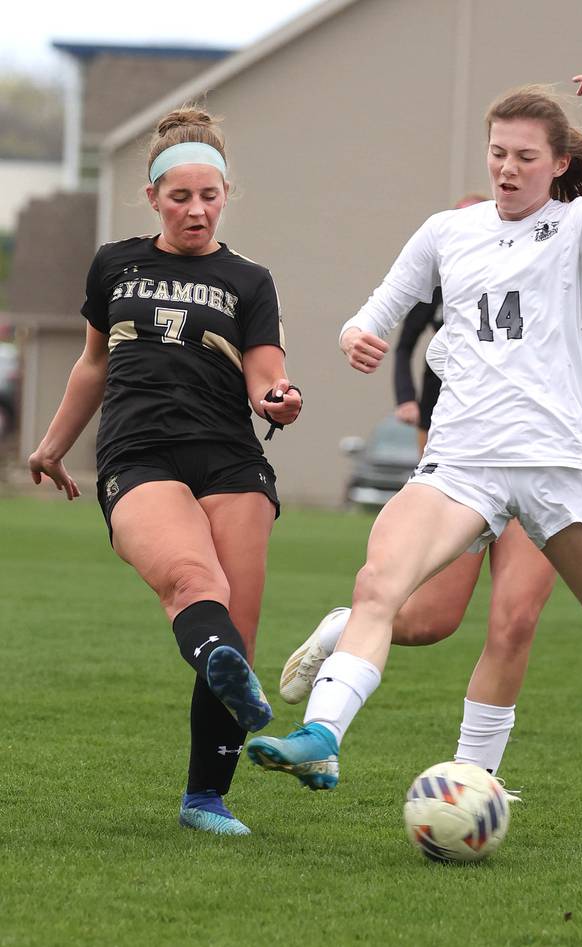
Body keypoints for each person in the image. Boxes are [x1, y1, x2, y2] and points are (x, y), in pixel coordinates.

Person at [248, 45, 582, 844]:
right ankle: (323, 733)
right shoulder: (449, 230)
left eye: (524, 157)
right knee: (382, 580)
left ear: (556, 166)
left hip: (557, 468)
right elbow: (378, 309)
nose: (508, 169)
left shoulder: (581, 228)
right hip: (463, 461)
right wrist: (357, 336)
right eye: (498, 154)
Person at [278, 254, 582, 784]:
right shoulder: (509, 267)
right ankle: (342, 630)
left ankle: (471, 778)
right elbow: (436, 355)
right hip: (474, 465)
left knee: (515, 623)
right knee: (429, 622)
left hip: (552, 475)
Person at [28, 106, 302, 837]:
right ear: (153, 197)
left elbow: (265, 376)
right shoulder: (115, 263)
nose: (196, 210)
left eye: (209, 196)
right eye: (180, 197)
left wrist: (279, 399)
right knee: (195, 583)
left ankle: (205, 798)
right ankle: (216, 660)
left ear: (225, 194)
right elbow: (93, 363)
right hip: (139, 450)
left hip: (230, 455)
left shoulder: (249, 280)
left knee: (235, 633)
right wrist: (53, 444)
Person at [393, 194, 488, 454]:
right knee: (431, 473)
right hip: (438, 389)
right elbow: (404, 346)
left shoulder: (509, 277)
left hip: (489, 387)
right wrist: (406, 398)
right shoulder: (437, 284)